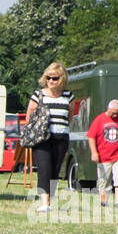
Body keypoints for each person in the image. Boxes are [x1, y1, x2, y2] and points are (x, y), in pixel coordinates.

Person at [25, 62, 73, 212]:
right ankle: (44, 203)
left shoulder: (68, 96)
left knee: (55, 170)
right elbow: (29, 117)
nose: (51, 81)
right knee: (44, 168)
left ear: (62, 79)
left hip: (61, 137)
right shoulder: (38, 95)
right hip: (42, 139)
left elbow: (69, 117)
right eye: (48, 78)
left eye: (55, 78)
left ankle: (50, 201)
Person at [87, 98, 118, 209]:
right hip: (103, 156)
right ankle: (104, 201)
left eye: (117, 113)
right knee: (104, 181)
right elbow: (91, 137)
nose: (115, 116)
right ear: (108, 109)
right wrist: (94, 153)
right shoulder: (99, 119)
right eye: (113, 113)